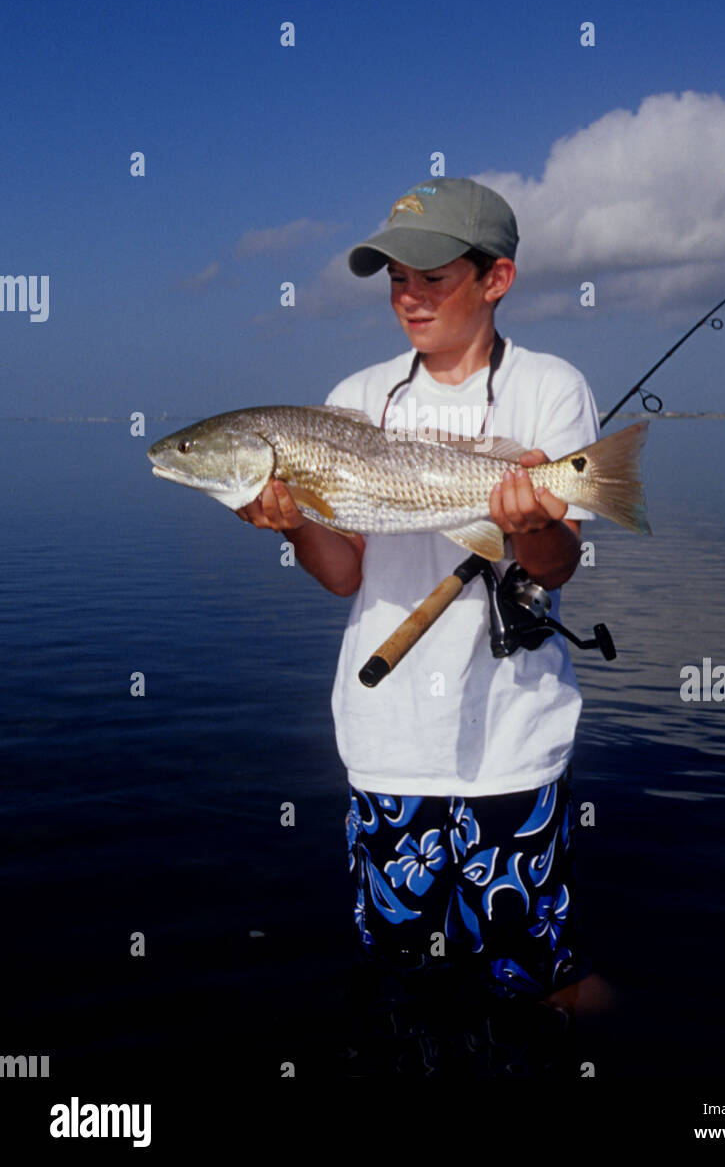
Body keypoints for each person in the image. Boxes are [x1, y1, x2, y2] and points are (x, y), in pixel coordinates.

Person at [237, 177, 614, 1021]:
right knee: (404, 974)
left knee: (536, 974)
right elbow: (344, 574)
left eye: (432, 276)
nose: (408, 296)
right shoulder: (354, 398)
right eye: (395, 278)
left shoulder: (550, 387)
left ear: (496, 279)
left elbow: (554, 569)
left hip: (512, 739)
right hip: (386, 737)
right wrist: (292, 525)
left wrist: (525, 524)